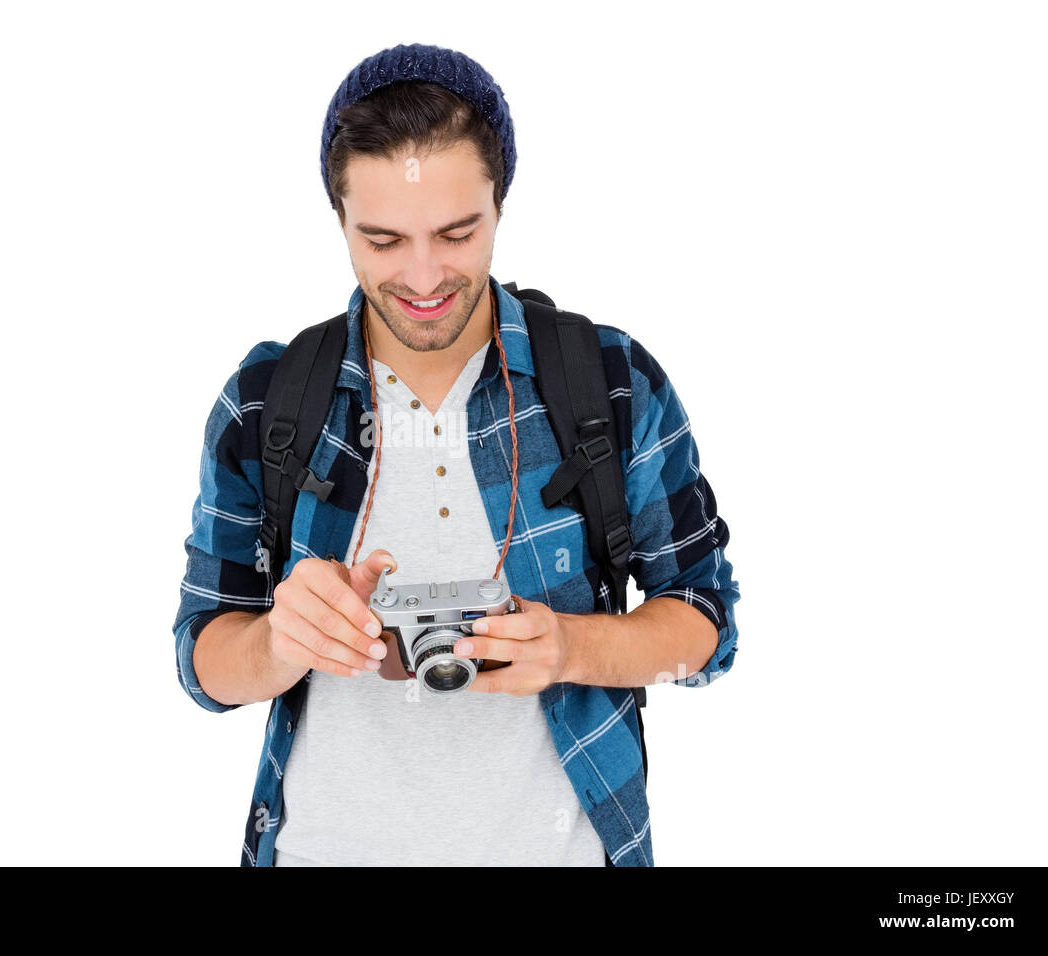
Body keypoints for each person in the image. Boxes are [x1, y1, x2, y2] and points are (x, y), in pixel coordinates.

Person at [172, 42, 741, 867]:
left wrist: (573, 648)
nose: (425, 275)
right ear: (339, 220)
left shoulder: (610, 382)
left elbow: (707, 626)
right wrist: (276, 644)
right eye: (383, 240)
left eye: (456, 232)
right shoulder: (265, 400)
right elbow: (201, 663)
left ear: (500, 205)